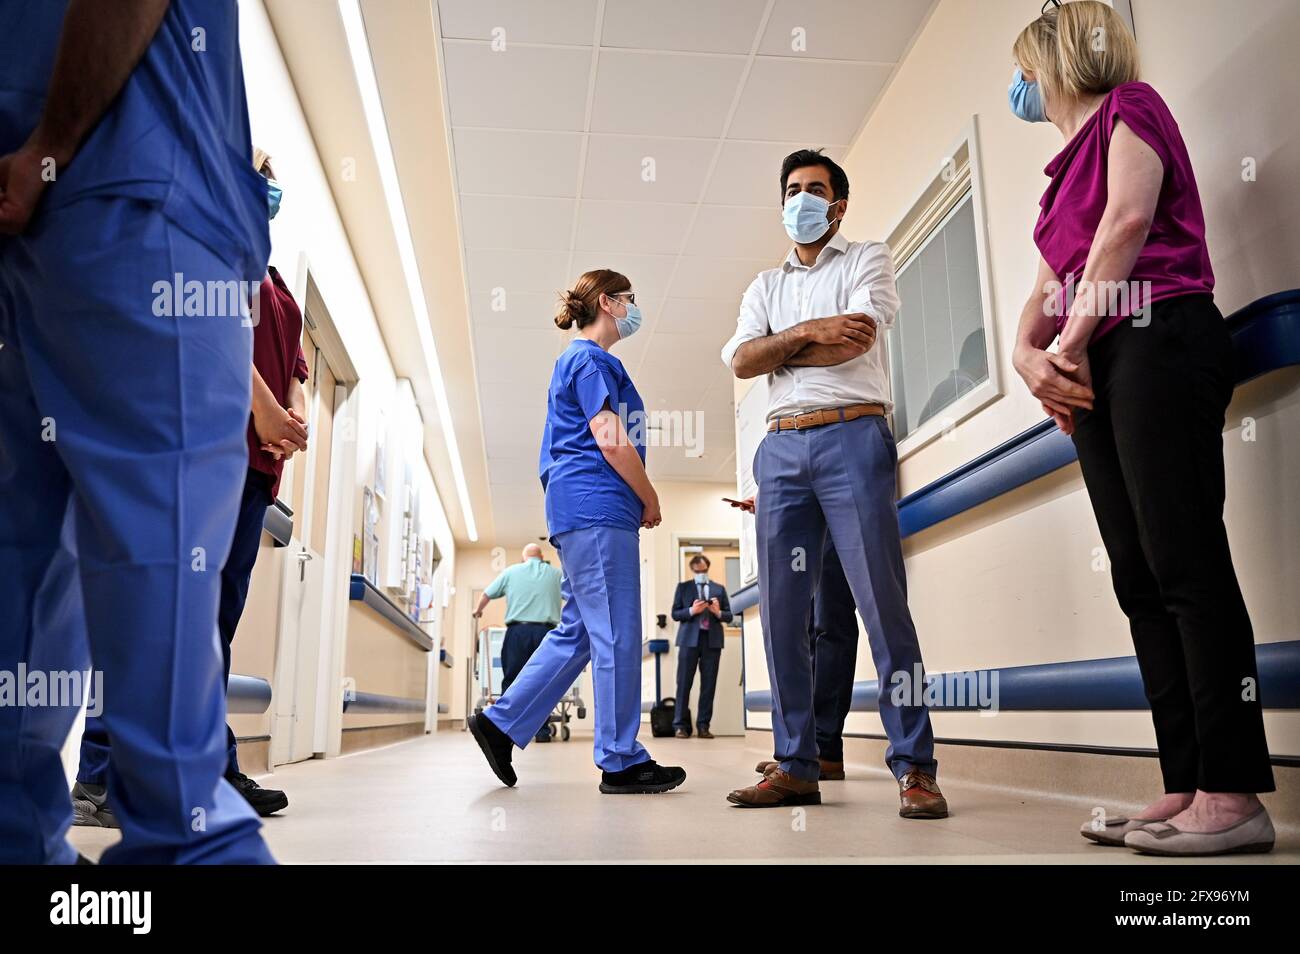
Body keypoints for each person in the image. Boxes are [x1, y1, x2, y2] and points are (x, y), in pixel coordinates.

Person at [0, 0, 274, 862]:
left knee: (28, 573)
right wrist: (50, 149)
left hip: (42, 220)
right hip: (129, 195)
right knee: (151, 559)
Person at [1008, 0, 1273, 855]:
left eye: (1024, 71)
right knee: (1137, 574)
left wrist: (1070, 342)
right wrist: (1026, 354)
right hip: (1099, 364)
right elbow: (1047, 289)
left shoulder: (1132, 106)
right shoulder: (1055, 185)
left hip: (1160, 335)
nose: (1022, 89)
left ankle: (1235, 794)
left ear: (1052, 63)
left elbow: (1127, 221)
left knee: (1184, 559)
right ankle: (1187, 779)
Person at [70, 150, 306, 825]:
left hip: (253, 468)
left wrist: (291, 417)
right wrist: (262, 409)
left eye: (271, 176)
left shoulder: (272, 275)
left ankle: (213, 769)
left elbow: (289, 364)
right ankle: (100, 777)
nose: (269, 186)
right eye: (256, 171)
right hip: (192, 449)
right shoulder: (197, 239)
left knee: (212, 630)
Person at [719, 149, 946, 818]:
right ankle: (796, 765)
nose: (801, 200)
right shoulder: (764, 284)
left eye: (815, 190)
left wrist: (781, 347)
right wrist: (812, 329)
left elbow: (855, 340)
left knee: (882, 607)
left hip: (853, 437)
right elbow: (741, 360)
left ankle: (915, 768)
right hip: (781, 449)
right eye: (792, 190)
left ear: (838, 204)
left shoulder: (868, 258)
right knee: (785, 617)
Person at [467, 269, 685, 795]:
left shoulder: (589, 361)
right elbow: (609, 438)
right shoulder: (587, 358)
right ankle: (619, 758)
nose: (634, 308)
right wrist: (649, 496)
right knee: (615, 632)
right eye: (630, 298)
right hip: (597, 506)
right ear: (609, 302)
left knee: (583, 631)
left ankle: (501, 724)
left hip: (579, 509)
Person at [474, 543, 563, 743]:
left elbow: (486, 594)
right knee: (544, 681)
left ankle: (507, 730)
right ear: (541, 557)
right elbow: (575, 594)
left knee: (513, 680)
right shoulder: (556, 574)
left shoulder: (511, 571)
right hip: (546, 633)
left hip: (517, 633)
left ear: (524, 558)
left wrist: (478, 610)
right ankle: (542, 732)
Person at [669, 554, 733, 739]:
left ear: (708, 569)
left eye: (704, 570)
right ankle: (680, 726)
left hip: (712, 641)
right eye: (697, 571)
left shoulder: (719, 589)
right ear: (692, 570)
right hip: (688, 641)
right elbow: (675, 613)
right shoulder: (683, 588)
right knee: (683, 684)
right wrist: (691, 610)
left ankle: (703, 726)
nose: (701, 573)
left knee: (708, 685)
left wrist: (718, 612)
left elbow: (729, 616)